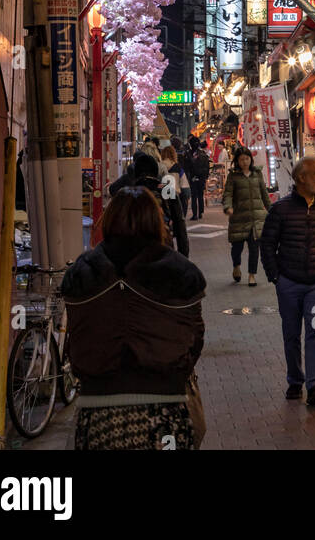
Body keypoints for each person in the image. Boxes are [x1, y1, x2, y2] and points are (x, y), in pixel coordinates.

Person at [63, 186, 206, 450]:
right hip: (165, 409)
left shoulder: (81, 274)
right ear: (155, 220)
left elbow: (75, 338)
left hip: (97, 413)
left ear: (110, 219)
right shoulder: (181, 274)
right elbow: (194, 339)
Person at [260, 156, 315, 407]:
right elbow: (267, 244)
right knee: (291, 333)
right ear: (300, 178)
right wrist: (275, 276)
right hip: (289, 283)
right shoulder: (281, 209)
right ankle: (295, 379)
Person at [126, 151, 190, 258]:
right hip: (163, 245)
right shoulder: (165, 189)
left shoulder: (128, 191)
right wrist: (183, 255)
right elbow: (180, 223)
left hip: (135, 251)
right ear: (156, 171)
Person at [222, 146, 271, 286]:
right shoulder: (233, 176)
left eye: (247, 158)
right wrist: (228, 207)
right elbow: (228, 194)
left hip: (256, 219)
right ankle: (236, 266)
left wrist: (272, 210)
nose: (244, 162)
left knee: (254, 249)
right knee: (236, 248)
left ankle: (251, 275)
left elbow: (264, 194)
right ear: (237, 161)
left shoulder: (257, 174)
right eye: (241, 159)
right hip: (239, 218)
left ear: (251, 159)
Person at [161, 144, 190, 217]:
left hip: (164, 198)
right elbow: (184, 186)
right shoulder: (178, 167)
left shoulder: (159, 167)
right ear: (174, 155)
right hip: (176, 197)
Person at [188, 141, 211, 221]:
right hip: (201, 178)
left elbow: (189, 167)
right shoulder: (204, 154)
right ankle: (200, 212)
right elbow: (207, 167)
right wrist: (206, 177)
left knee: (194, 196)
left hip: (194, 177)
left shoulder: (190, 154)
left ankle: (195, 214)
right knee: (200, 195)